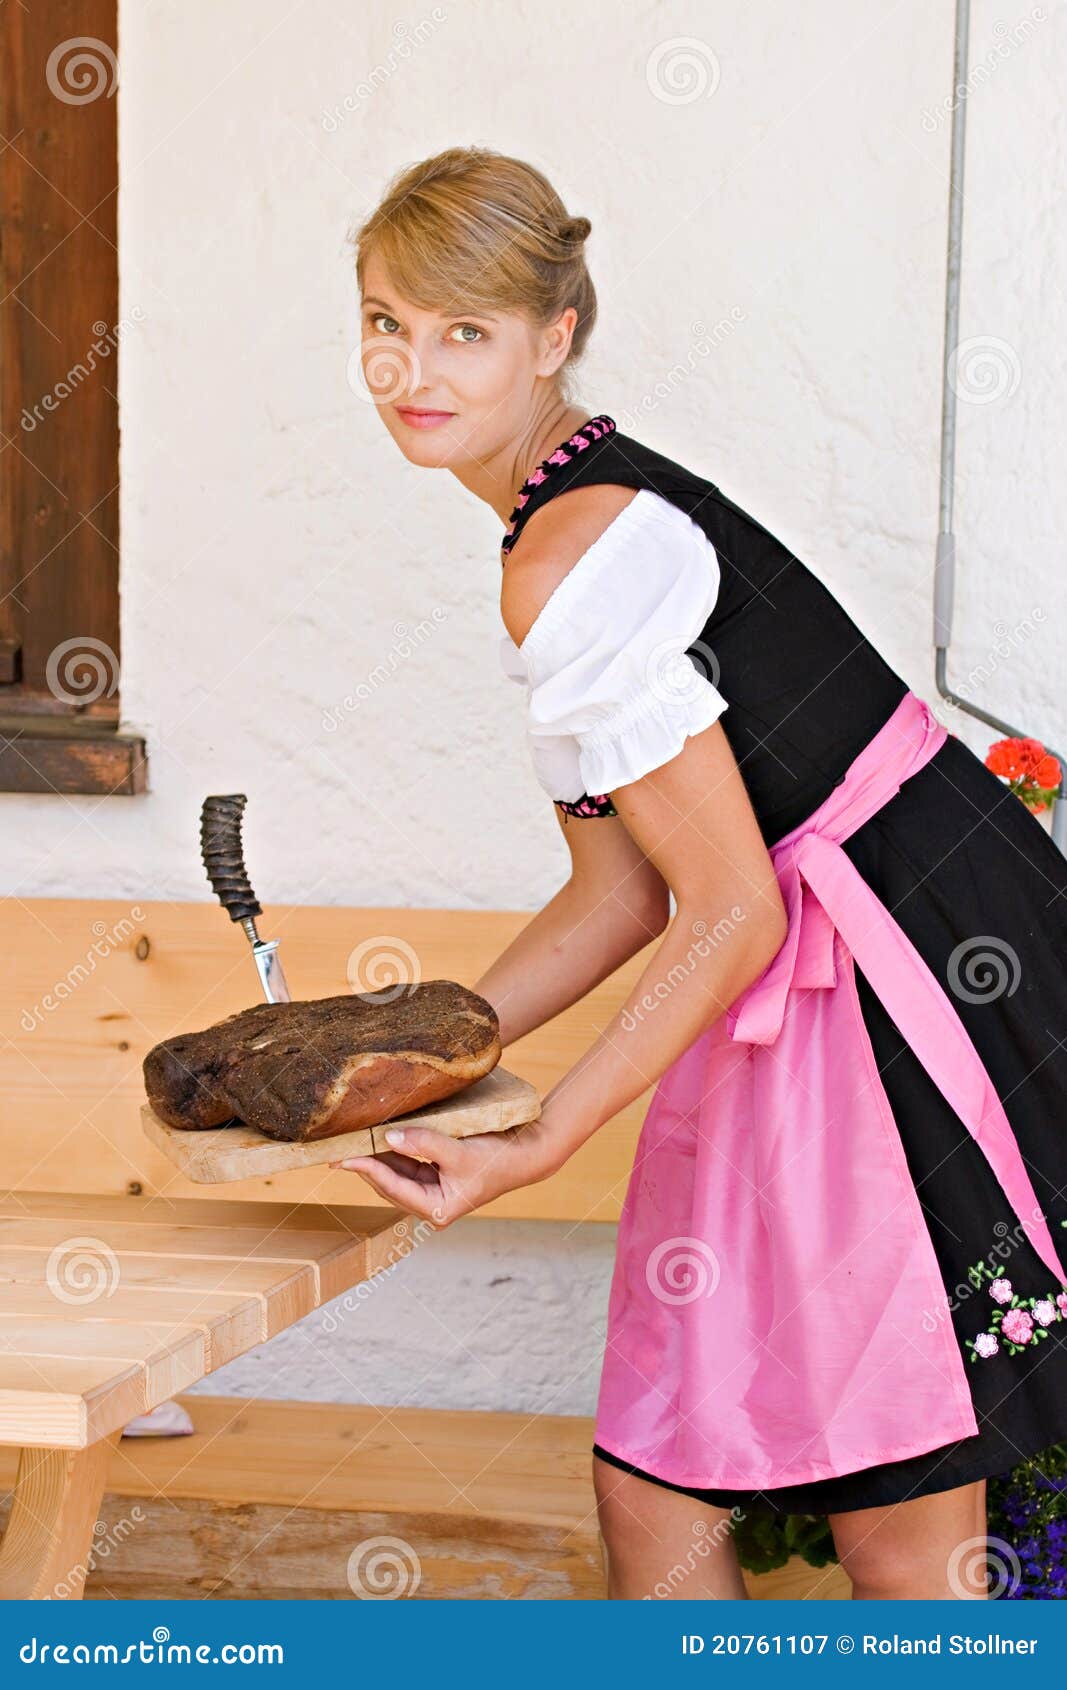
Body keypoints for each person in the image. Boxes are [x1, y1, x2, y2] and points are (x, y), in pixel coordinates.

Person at [330, 145, 1067, 1601]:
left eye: (463, 330)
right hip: (853, 954)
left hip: (897, 973)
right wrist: (403, 1057)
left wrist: (536, 1136)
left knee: (901, 1505)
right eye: (384, 321)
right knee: (668, 1477)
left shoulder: (575, 553)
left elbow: (728, 909)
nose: (410, 367)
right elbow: (623, 896)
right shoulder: (569, 521)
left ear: (556, 338)